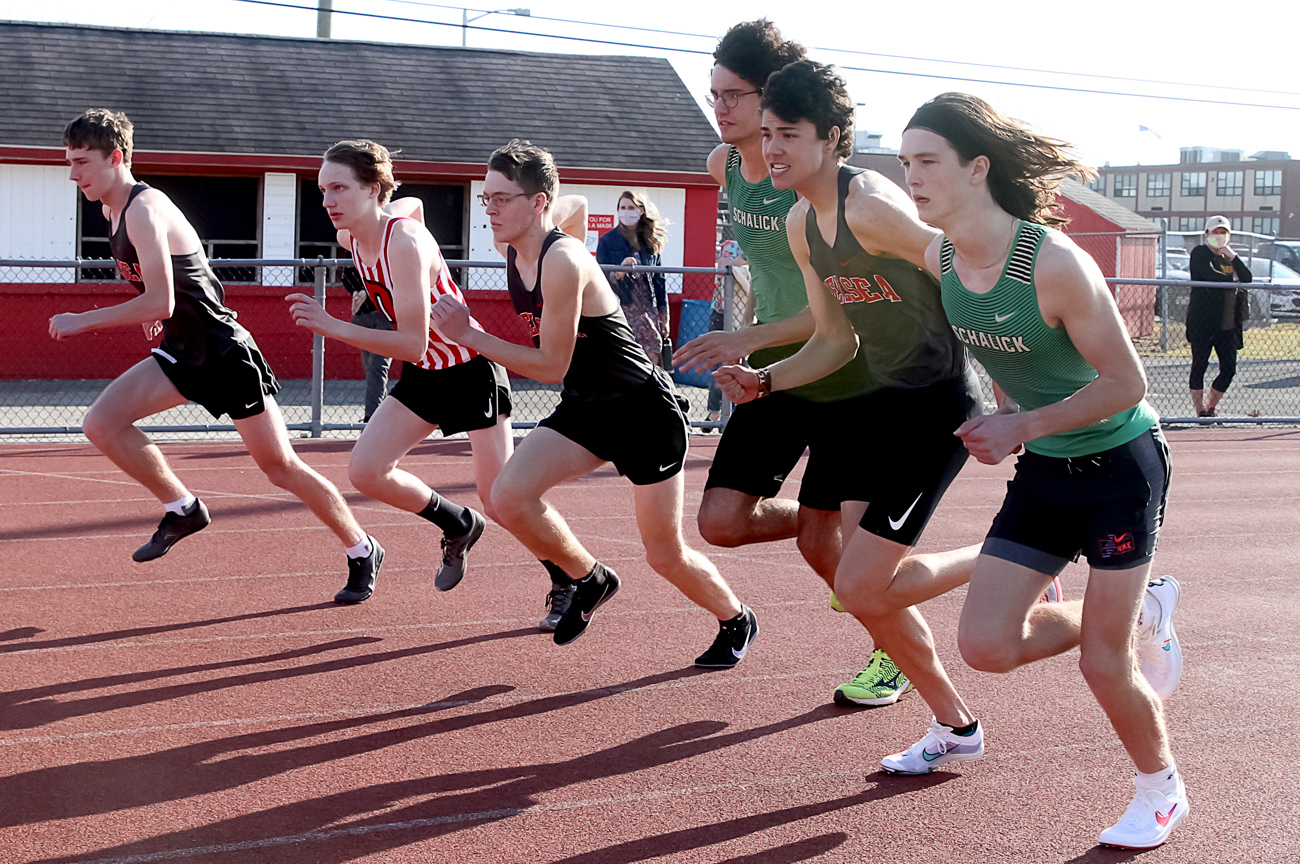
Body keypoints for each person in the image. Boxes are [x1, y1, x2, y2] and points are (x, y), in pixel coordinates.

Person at [898, 92, 1185, 849]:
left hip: (1122, 464)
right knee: (986, 647)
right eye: (905, 164)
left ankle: (1161, 791)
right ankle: (1144, 611)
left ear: (978, 168)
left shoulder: (1054, 264)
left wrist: (1018, 424)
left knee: (1102, 660)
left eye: (928, 162)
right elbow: (1004, 352)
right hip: (1049, 469)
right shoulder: (940, 258)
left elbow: (1127, 385)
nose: (913, 178)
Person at [715, 61, 997, 759]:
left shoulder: (869, 205)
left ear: (832, 137)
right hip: (877, 405)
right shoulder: (807, 225)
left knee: (864, 583)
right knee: (861, 585)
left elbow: (967, 273)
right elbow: (836, 338)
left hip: (938, 411)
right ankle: (956, 727)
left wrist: (1017, 393)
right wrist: (768, 381)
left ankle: (1010, 564)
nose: (772, 149)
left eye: (790, 135)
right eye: (769, 133)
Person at [430, 139, 757, 666]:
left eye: (501, 198)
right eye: (485, 198)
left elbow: (549, 366)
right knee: (507, 496)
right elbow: (574, 205)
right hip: (587, 407)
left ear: (536, 203)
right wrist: (555, 206)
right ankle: (589, 577)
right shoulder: (514, 246)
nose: (489, 209)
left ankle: (736, 617)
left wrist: (469, 334)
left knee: (664, 553)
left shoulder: (563, 259)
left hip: (642, 411)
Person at [52, 109, 383, 600]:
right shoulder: (110, 211)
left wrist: (86, 318)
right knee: (101, 422)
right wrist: (156, 306)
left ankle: (361, 547)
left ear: (116, 158)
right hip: (182, 351)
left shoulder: (144, 208)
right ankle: (183, 508)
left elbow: (162, 299)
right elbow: (176, 284)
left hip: (226, 355)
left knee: (280, 468)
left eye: (81, 162)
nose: (73, 173)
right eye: (69, 163)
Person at [672, 20, 905, 705]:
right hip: (773, 356)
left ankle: (891, 651)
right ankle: (827, 524)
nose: (721, 107)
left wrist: (740, 338)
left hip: (844, 364)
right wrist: (751, 340)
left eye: (735, 95)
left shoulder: (811, 181)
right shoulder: (725, 167)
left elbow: (835, 309)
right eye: (714, 92)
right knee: (720, 522)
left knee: (824, 545)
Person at [286, 140, 512, 598]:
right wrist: (393, 208)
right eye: (322, 189)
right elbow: (416, 203)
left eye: (338, 188)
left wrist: (331, 325)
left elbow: (411, 342)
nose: (327, 201)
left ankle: (573, 577)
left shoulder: (403, 242)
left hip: (470, 370)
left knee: (504, 501)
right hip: (427, 374)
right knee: (367, 471)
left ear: (372, 189)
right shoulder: (350, 236)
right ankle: (458, 523)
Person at [595, 191, 671, 367]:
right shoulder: (607, 240)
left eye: (631, 207)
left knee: (653, 348)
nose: (626, 212)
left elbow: (659, 280)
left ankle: (650, 389)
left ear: (641, 211)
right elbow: (600, 279)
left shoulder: (650, 241)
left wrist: (664, 314)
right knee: (625, 355)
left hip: (646, 307)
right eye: (622, 208)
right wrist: (620, 271)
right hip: (621, 306)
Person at [1187, 215, 1251, 418]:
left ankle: (1211, 406)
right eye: (1216, 233)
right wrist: (1232, 277)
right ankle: (1200, 411)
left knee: (1229, 369)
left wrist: (1232, 256)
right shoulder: (1200, 253)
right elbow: (1210, 276)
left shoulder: (1228, 258)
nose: (1219, 236)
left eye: (1223, 233)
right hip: (1203, 322)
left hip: (1228, 324)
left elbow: (1247, 278)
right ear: (1207, 234)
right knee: (1200, 365)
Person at [344, 265, 395, 423]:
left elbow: (391, 280)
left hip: (385, 318)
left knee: (377, 368)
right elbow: (347, 277)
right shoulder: (356, 251)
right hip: (363, 316)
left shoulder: (389, 250)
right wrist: (356, 292)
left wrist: (368, 292)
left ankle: (373, 418)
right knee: (370, 368)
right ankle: (377, 415)